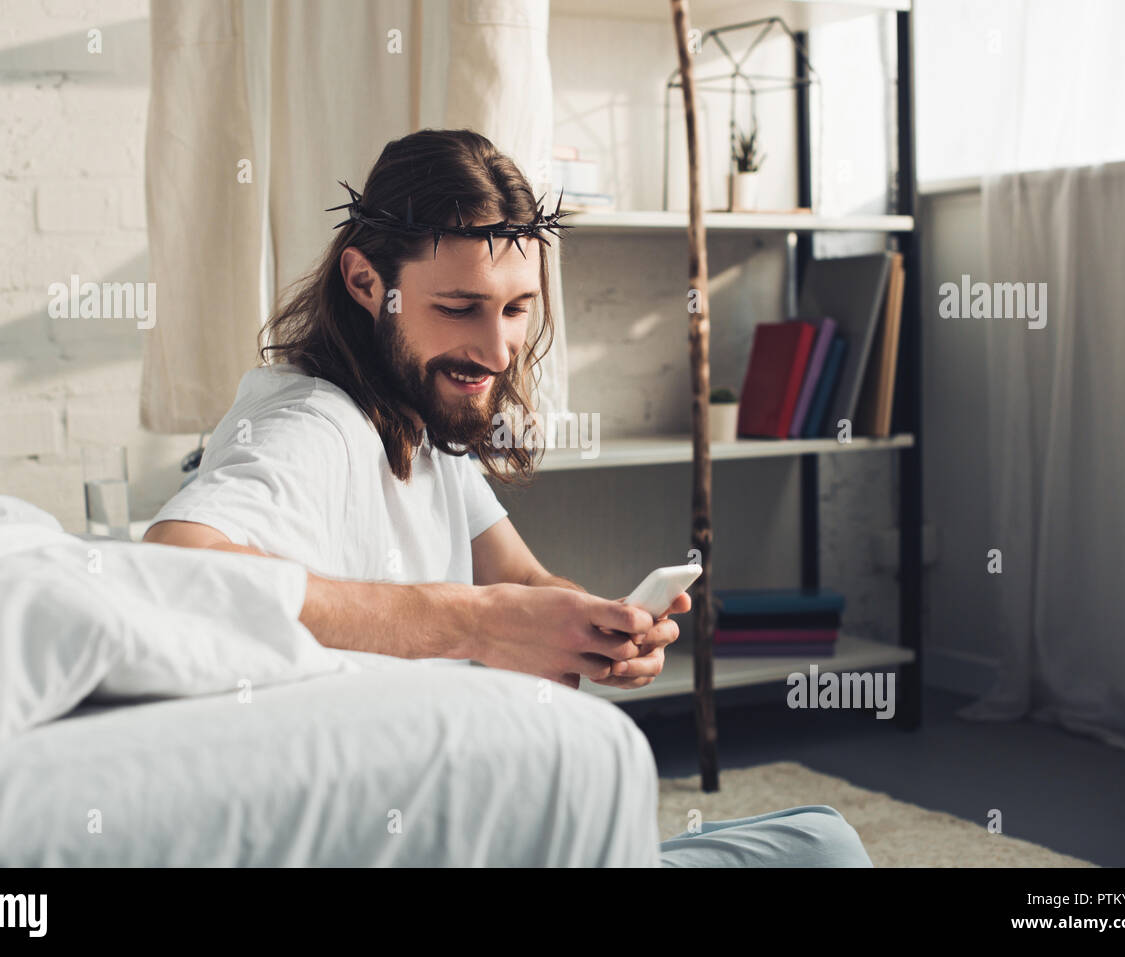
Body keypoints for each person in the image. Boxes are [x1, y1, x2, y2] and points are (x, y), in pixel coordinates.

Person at [144, 127, 872, 867]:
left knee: (820, 837)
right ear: (365, 282)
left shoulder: (411, 408)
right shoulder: (312, 424)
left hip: (472, 827)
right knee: (824, 855)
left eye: (517, 308)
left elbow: (520, 579)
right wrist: (474, 624)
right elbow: (176, 574)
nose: (498, 351)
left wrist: (592, 625)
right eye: (460, 308)